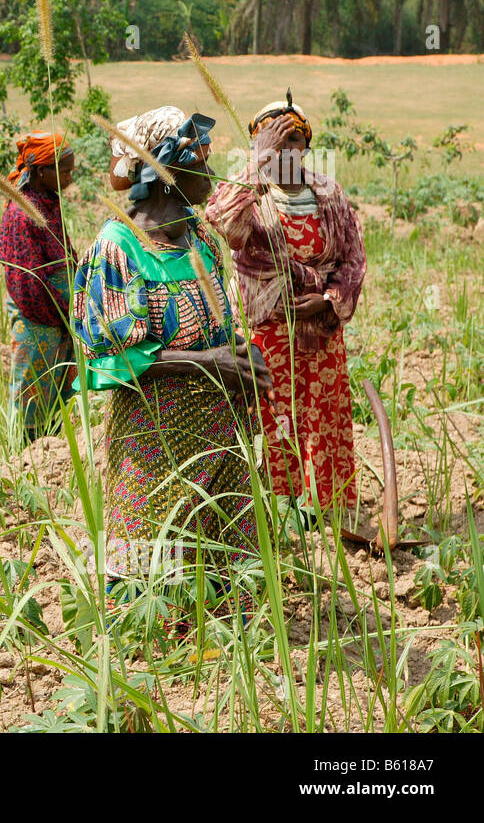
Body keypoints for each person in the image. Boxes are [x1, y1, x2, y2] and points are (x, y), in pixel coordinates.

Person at [72, 106, 271, 626]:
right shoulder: (116, 250)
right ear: (165, 172)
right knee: (150, 560)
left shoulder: (200, 237)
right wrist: (208, 363)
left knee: (225, 548)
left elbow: (219, 324)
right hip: (153, 440)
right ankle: (154, 653)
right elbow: (112, 358)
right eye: (201, 164)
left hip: (221, 431)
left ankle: (228, 649)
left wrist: (240, 360)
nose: (212, 175)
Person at [207, 93, 366, 514]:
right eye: (274, 141)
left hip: (321, 339)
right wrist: (258, 164)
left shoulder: (329, 193)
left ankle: (325, 510)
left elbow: (353, 257)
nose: (285, 149)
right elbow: (224, 222)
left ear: (307, 144)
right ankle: (279, 513)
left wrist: (328, 301)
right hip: (268, 338)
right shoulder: (250, 196)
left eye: (293, 138)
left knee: (321, 420)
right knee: (275, 423)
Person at [0, 132, 78, 444]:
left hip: (59, 317)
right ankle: (23, 457)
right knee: (32, 393)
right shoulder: (22, 212)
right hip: (39, 320)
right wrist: (60, 313)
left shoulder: (48, 202)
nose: (70, 178)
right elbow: (28, 281)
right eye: (65, 170)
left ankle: (51, 451)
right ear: (42, 171)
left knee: (58, 392)